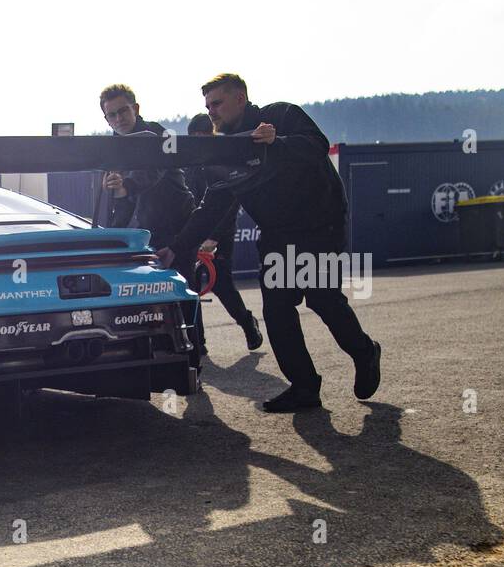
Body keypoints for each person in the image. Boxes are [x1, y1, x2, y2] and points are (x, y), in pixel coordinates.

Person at [159, 74, 380, 413]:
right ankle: (305, 387)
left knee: (323, 300)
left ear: (240, 99)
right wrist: (177, 247)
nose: (212, 112)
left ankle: (365, 352)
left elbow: (317, 144)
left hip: (320, 225)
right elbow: (212, 207)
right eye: (207, 106)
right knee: (277, 309)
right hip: (277, 234)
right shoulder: (224, 152)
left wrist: (277, 142)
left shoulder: (281, 116)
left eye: (217, 103)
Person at [98, 84, 199, 372]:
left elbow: (150, 174)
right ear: (106, 120)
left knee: (184, 294)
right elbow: (123, 200)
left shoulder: (159, 136)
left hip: (179, 228)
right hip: (147, 232)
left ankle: (193, 363)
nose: (118, 118)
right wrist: (111, 234)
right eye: (112, 115)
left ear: (136, 109)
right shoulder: (114, 149)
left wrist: (124, 187)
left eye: (123, 111)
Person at [184, 113, 263, 353]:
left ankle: (248, 324)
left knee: (222, 285)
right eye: (194, 138)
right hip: (196, 230)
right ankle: (199, 344)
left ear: (212, 135)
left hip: (221, 234)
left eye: (203, 137)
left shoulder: (223, 160)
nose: (199, 142)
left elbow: (230, 205)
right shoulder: (190, 164)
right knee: (191, 287)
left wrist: (214, 238)